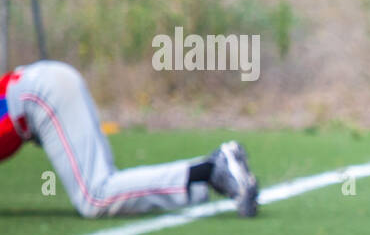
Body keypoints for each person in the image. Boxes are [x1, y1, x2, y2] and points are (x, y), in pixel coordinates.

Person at [0, 60, 259, 218]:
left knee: (95, 198)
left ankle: (210, 169)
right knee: (100, 189)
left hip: (41, 94)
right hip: (45, 85)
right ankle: (206, 175)